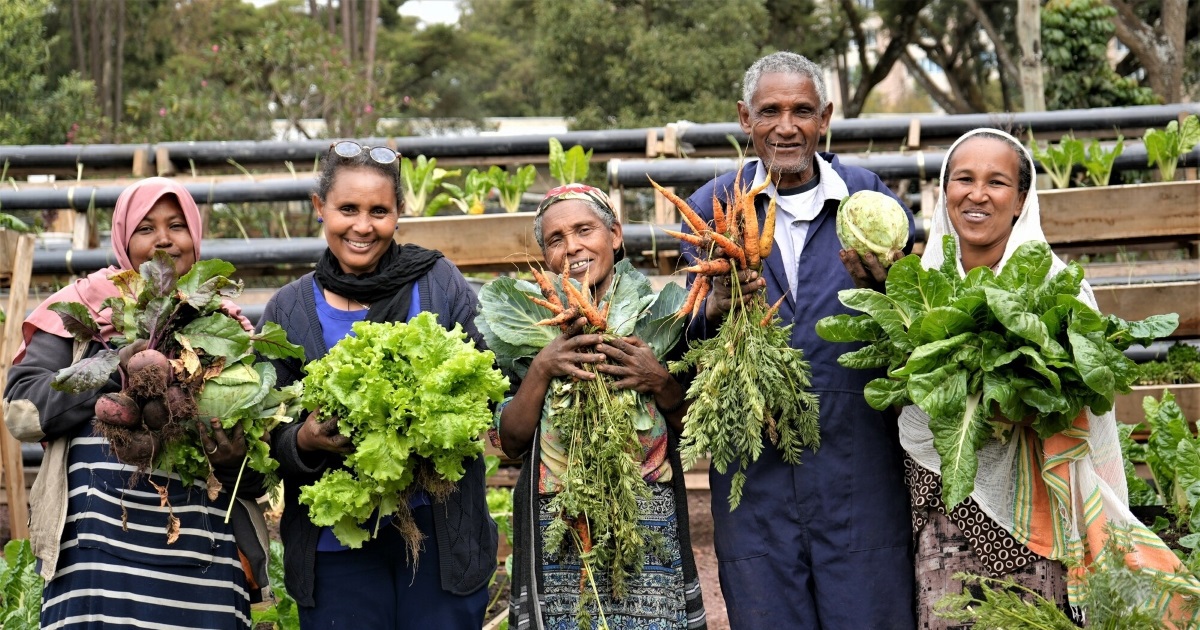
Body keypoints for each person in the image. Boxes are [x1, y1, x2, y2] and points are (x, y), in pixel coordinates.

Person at [903, 127, 1199, 626]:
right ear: (945, 191)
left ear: (1021, 200)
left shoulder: (1057, 287)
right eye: (963, 179)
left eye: (996, 182)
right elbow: (908, 403)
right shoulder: (919, 286)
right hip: (941, 513)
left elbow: (1084, 396)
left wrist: (1017, 397)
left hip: (1038, 518)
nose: (977, 194)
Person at [679, 51, 916, 628]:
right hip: (755, 474)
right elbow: (684, 351)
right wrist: (709, 309)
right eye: (771, 111)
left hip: (858, 466)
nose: (786, 127)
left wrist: (889, 295)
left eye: (802, 111)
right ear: (744, 117)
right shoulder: (712, 208)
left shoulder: (869, 199)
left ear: (826, 117)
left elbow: (916, 327)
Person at [4, 177, 266, 629]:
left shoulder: (229, 332)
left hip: (203, 565)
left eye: (176, 225)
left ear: (195, 237)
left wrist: (233, 459)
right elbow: (22, 412)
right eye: (145, 228)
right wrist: (115, 370)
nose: (163, 239)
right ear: (124, 238)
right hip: (94, 560)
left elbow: (259, 471)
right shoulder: (82, 308)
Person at [259, 141, 497, 629]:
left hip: (437, 534)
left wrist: (428, 422)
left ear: (398, 214)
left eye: (379, 211)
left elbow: (486, 385)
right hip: (335, 543)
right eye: (348, 209)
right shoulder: (287, 310)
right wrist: (302, 440)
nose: (362, 226)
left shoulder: (438, 283)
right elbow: (263, 433)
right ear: (319, 207)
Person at [492, 184, 706, 629]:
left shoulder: (662, 317)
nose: (572, 247)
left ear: (615, 235)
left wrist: (659, 380)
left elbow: (695, 430)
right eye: (555, 239)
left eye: (584, 230)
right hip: (562, 520)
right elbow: (511, 441)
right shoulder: (531, 328)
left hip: (647, 517)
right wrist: (542, 369)